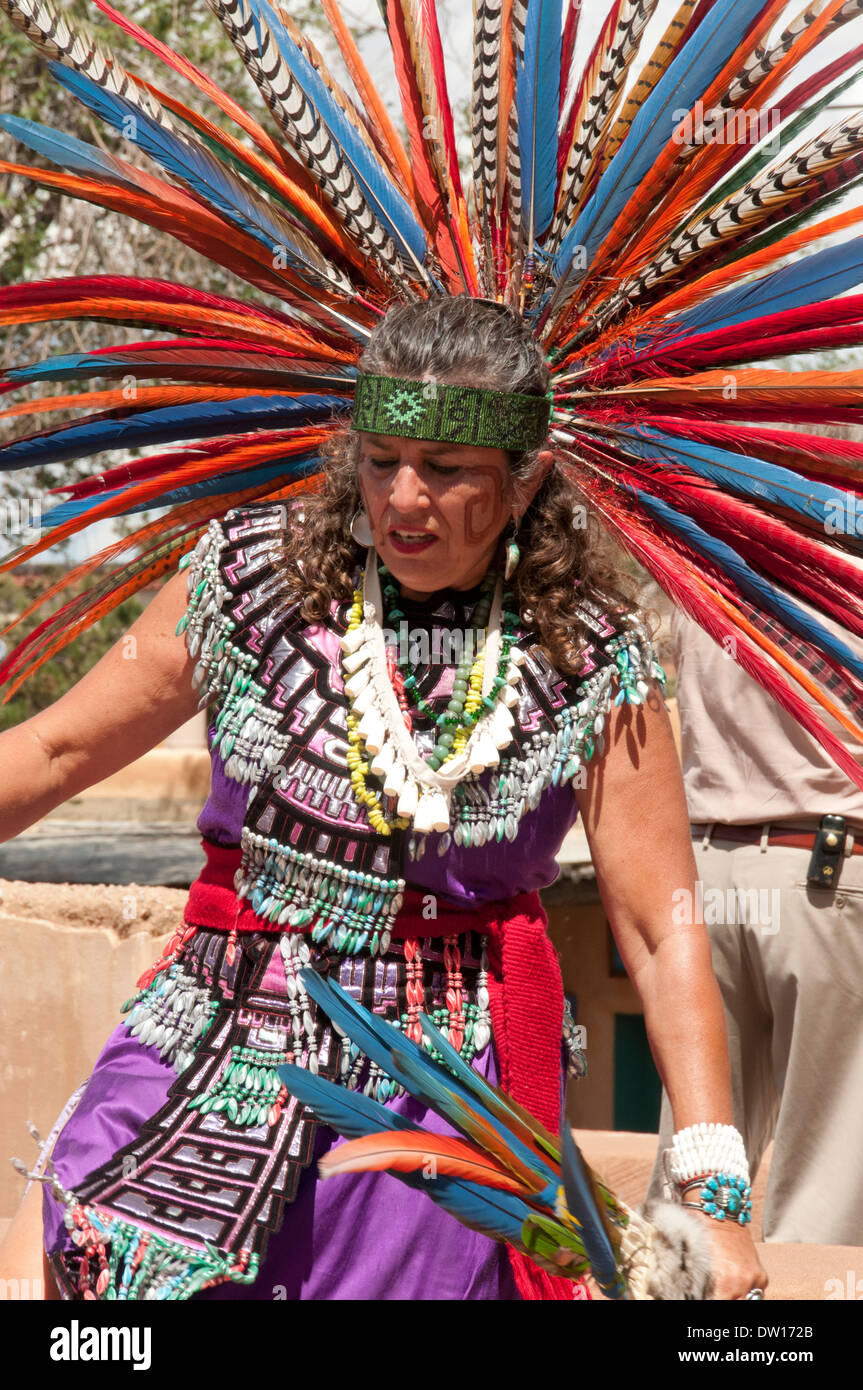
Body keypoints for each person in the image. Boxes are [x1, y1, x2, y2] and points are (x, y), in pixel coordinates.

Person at [0, 297, 766, 1300]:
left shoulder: (586, 654)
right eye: (380, 458)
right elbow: (55, 749)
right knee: (86, 1270)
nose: (403, 496)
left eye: (445, 470)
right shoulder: (247, 580)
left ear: (524, 478)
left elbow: (660, 934)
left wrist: (713, 1197)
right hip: (212, 1030)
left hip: (435, 1082)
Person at [648, 607, 863, 1245]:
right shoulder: (836, 562)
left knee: (695, 1167)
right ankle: (776, 1346)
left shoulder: (705, 548)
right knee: (828, 1182)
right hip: (825, 876)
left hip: (705, 875)